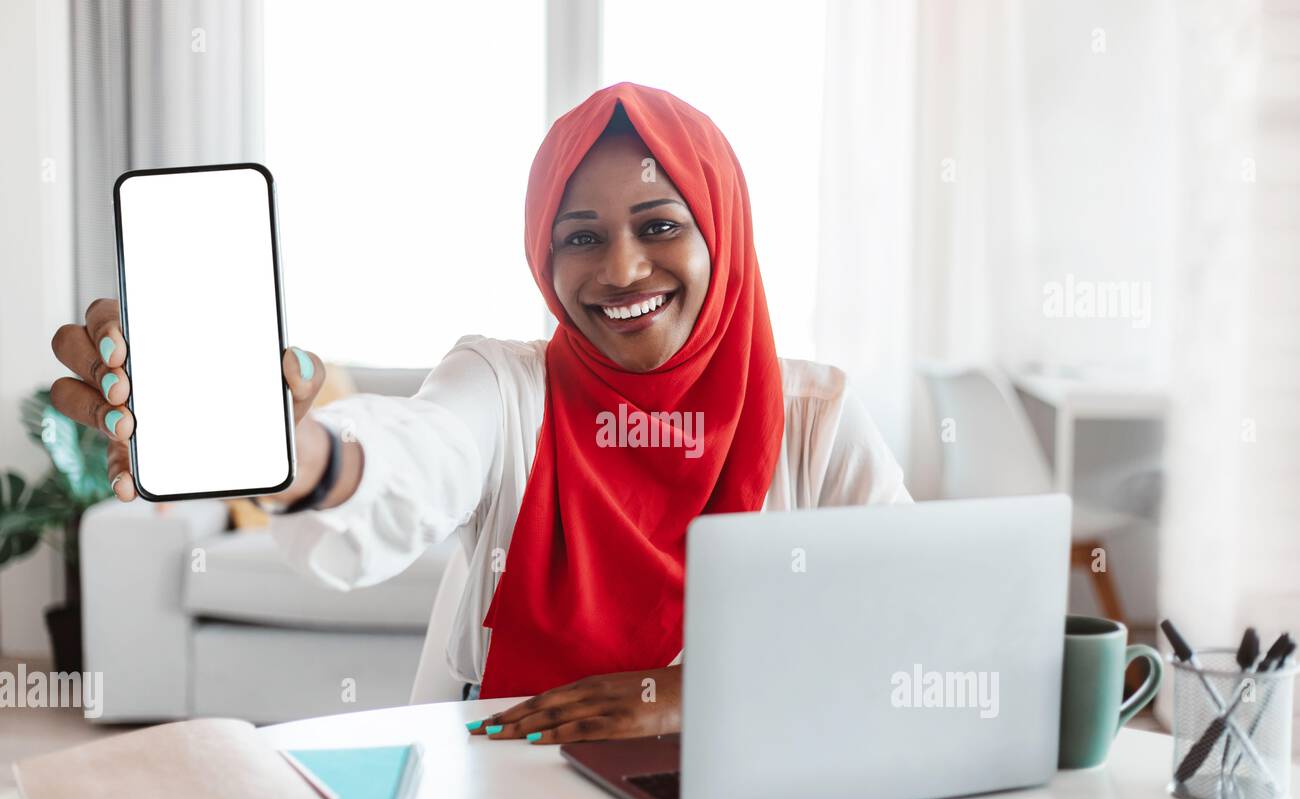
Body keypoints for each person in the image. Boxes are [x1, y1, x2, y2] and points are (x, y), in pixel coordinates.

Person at [47, 82, 911, 745]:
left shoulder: (819, 423)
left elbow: (911, 632)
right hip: (508, 786)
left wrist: (695, 697)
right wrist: (299, 455)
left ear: (721, 232)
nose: (620, 269)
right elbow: (415, 456)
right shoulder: (504, 387)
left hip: (742, 798)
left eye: (658, 224)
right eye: (579, 236)